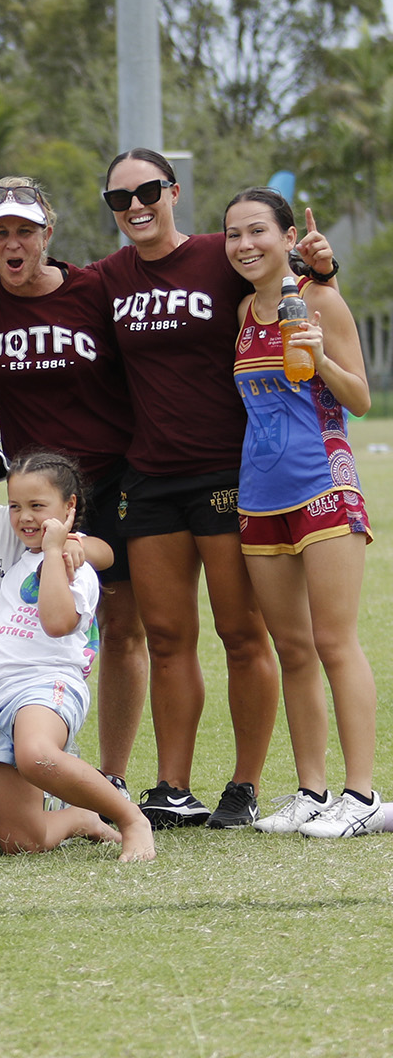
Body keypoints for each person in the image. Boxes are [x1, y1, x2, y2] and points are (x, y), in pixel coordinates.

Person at [0, 178, 147, 794]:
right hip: (31, 490)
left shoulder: (95, 287)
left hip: (109, 476)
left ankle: (115, 775)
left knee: (121, 626)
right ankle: (12, 753)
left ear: (48, 233)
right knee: (17, 615)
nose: (13, 243)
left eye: (25, 230)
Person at [93, 149, 280, 829]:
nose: (136, 206)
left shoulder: (217, 256)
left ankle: (245, 784)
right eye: (120, 199)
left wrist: (319, 264)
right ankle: (173, 784)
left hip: (230, 472)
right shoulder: (109, 277)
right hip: (149, 478)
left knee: (241, 633)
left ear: (172, 191)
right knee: (166, 636)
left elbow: (287, 284)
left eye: (147, 191)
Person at [221, 189, 379, 837]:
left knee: (335, 642)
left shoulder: (321, 300)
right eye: (233, 234)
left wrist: (323, 359)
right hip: (259, 495)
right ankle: (311, 790)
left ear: (289, 238)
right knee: (292, 649)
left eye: (258, 230)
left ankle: (361, 795)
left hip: (324, 487)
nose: (244, 244)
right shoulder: (242, 311)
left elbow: (361, 398)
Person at [0, 450, 154, 861]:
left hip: (44, 685)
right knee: (20, 839)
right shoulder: (20, 556)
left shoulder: (74, 564)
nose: (25, 517)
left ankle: (131, 819)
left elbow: (57, 621)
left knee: (37, 754)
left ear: (69, 506)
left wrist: (59, 549)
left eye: (38, 506)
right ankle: (81, 819)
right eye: (16, 506)